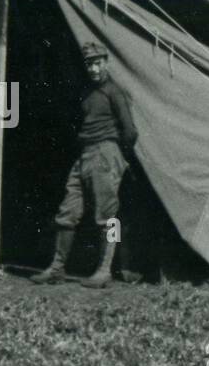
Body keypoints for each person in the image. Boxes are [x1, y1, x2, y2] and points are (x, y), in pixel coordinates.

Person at [31, 40, 138, 289]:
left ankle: (104, 270)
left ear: (106, 63)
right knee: (67, 212)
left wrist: (114, 154)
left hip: (105, 153)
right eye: (89, 64)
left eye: (98, 63)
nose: (94, 69)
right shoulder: (87, 93)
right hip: (84, 155)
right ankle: (57, 268)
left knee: (108, 217)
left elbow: (130, 131)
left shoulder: (114, 92)